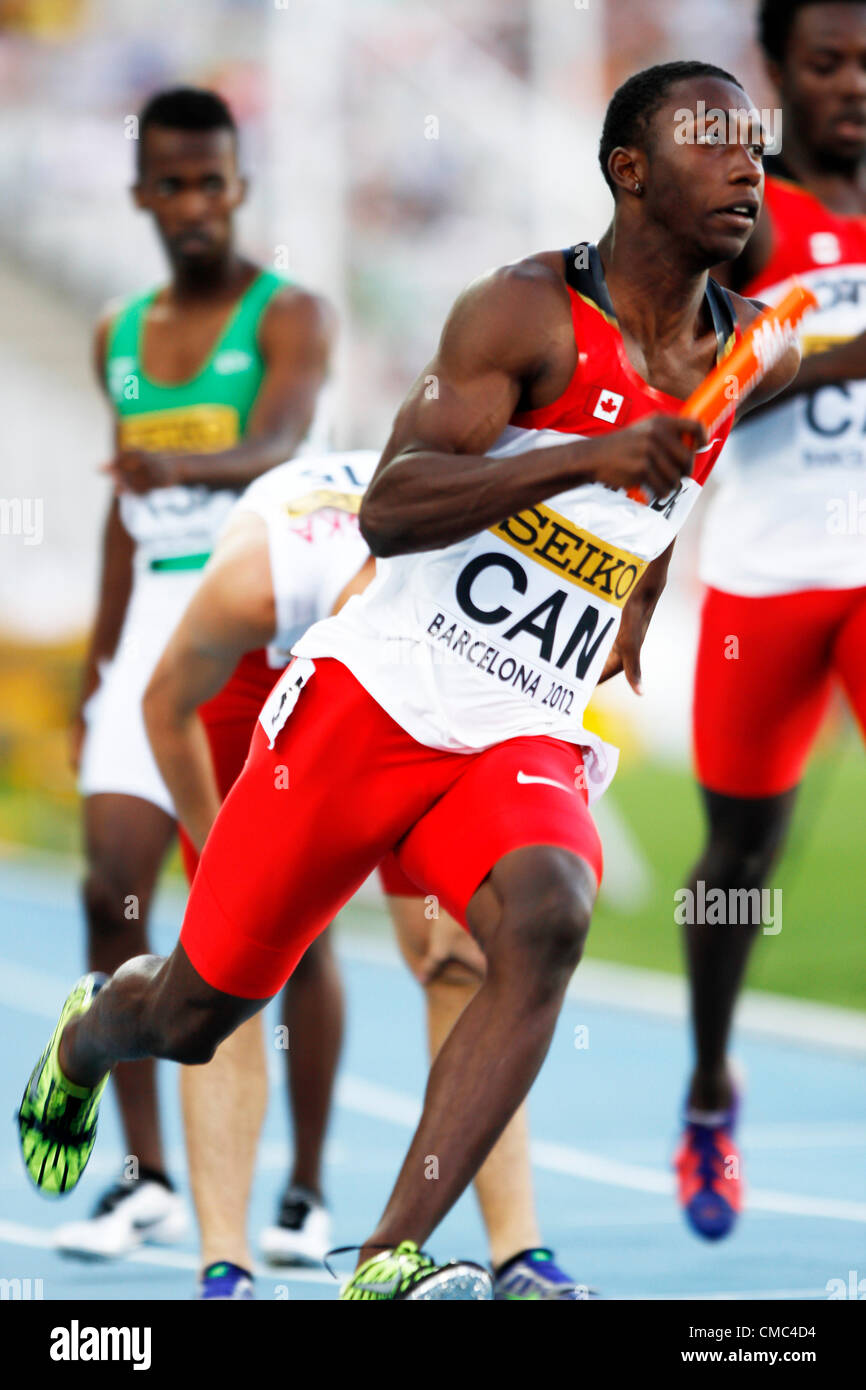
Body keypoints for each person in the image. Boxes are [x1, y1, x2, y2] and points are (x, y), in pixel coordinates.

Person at [20, 61, 799, 1300]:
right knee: (195, 1013)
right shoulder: (522, 314)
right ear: (628, 171)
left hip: (516, 728)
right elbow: (390, 506)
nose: (745, 164)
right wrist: (591, 451)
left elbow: (659, 496)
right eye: (709, 141)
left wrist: (637, 595)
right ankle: (84, 1035)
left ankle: (388, 1255)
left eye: (752, 143)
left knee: (544, 914)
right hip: (374, 701)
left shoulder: (739, 345)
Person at [145, 448, 590, 1299]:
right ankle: (223, 1266)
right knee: (223, 986)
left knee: (458, 958)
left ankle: (518, 1254)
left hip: (421, 693)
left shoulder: (443, 599)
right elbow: (162, 709)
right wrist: (234, 870)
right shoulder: (254, 586)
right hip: (249, 685)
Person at [61, 85, 335, 1258]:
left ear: (240, 188)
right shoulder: (117, 335)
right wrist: (95, 661)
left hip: (264, 612)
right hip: (152, 634)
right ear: (139, 197)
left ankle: (303, 1190)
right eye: (168, 184)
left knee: (291, 920)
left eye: (210, 181)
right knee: (109, 884)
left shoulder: (290, 316)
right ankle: (143, 1179)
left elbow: (278, 438)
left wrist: (178, 456)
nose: (191, 204)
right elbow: (122, 522)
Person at [675, 0, 866, 1241]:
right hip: (758, 584)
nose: (854, 84)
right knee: (737, 864)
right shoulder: (739, 225)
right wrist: (834, 355)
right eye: (826, 63)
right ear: (774, 72)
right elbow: (683, 401)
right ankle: (704, 1086)